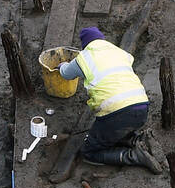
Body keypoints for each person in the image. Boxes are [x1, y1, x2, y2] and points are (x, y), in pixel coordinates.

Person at [58, 27, 162, 173]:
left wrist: (61, 65)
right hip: (141, 107)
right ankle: (135, 140)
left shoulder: (84, 57)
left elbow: (66, 74)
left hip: (116, 113)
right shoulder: (118, 52)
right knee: (113, 130)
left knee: (89, 152)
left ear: (85, 44)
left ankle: (134, 156)